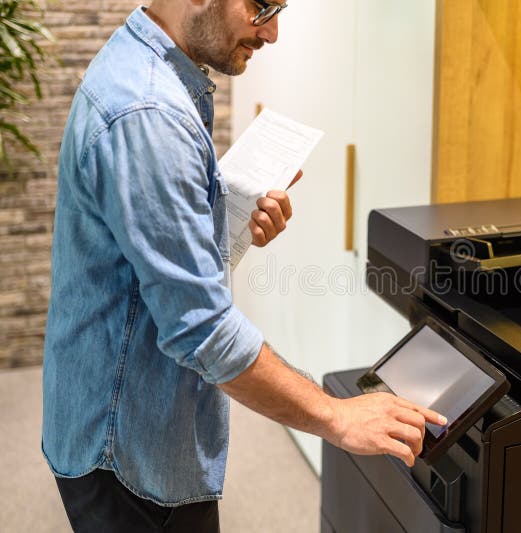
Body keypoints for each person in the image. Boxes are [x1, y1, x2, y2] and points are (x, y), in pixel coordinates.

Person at [41, 1, 446, 531]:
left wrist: (222, 214)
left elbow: (144, 255)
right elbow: (202, 330)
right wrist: (336, 414)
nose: (272, 33)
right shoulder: (148, 113)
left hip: (121, 409)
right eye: (261, 6)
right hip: (126, 445)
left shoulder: (147, 66)